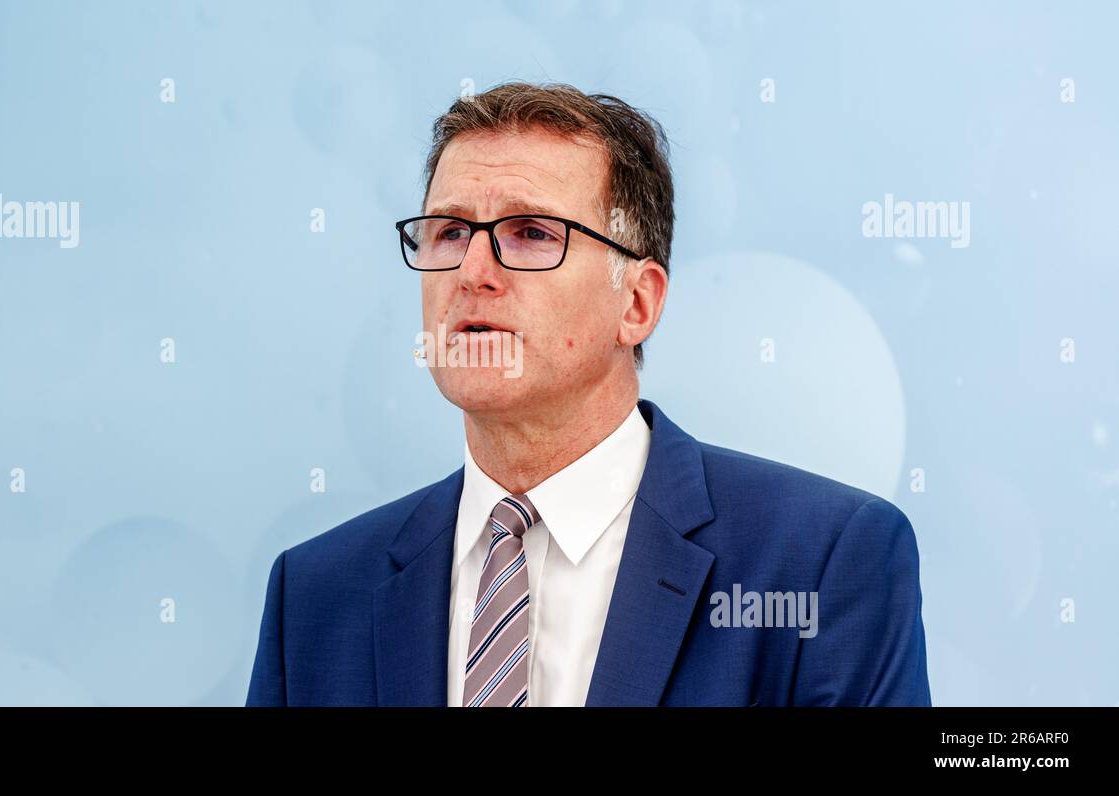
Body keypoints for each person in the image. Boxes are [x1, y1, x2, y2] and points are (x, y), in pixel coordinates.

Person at [246, 81, 930, 707]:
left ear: (636, 301)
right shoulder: (315, 596)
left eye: (532, 233)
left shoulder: (820, 561)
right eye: (450, 232)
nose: (472, 271)